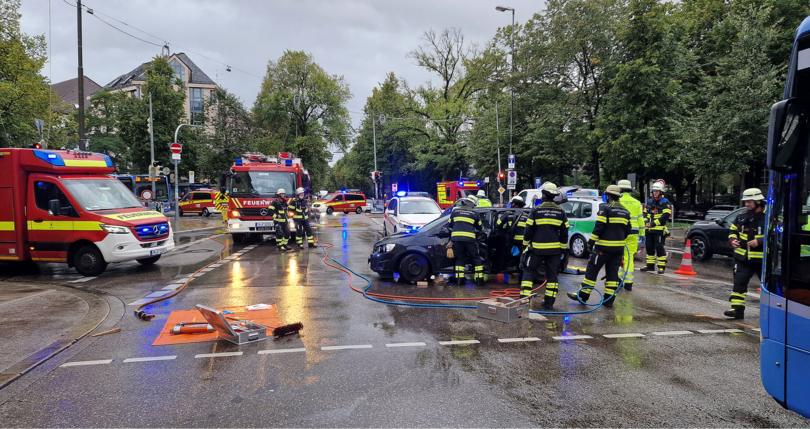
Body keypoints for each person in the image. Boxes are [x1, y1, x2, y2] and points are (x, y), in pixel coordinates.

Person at [568, 185, 631, 307]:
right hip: (618, 249)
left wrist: (590, 243)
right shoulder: (625, 211)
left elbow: (599, 227)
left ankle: (583, 296)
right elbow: (628, 230)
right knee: (612, 275)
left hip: (603, 248)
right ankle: (609, 301)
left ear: (608, 196)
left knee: (591, 272)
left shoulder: (605, 209)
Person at [519, 184, 569, 309]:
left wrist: (525, 245)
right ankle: (549, 303)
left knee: (529, 272)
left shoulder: (536, 210)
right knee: (552, 276)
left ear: (544, 195)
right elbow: (564, 233)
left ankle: (524, 302)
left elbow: (528, 229)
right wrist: (562, 249)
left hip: (537, 250)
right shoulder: (561, 212)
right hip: (554, 251)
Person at [725, 188, 766, 319]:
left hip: (763, 261)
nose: (747, 204)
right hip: (743, 258)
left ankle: (772, 314)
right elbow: (732, 231)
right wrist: (732, 240)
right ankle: (737, 310)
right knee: (739, 284)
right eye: (746, 201)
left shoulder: (771, 217)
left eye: (750, 201)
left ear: (758, 201)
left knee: (769, 288)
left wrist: (760, 241)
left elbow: (777, 234)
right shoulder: (741, 216)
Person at [617, 179, 644, 290]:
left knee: (618, 256)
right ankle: (628, 283)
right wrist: (642, 234)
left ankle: (617, 280)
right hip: (633, 232)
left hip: (620, 232)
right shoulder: (636, 202)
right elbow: (641, 220)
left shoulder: (617, 201)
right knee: (629, 257)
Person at [448, 204, 485, 286]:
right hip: (470, 240)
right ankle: (479, 281)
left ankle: (459, 281)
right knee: (476, 258)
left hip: (457, 239)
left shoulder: (454, 211)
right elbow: (480, 228)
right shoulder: (474, 213)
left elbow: (449, 225)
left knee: (460, 259)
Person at [640, 182, 671, 274]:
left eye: (657, 191)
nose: (655, 193)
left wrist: (653, 223)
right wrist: (645, 222)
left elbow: (665, 216)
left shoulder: (666, 202)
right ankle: (650, 266)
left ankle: (661, 266)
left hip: (659, 230)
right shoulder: (650, 202)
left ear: (661, 192)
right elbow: (645, 213)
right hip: (649, 230)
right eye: (654, 191)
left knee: (659, 247)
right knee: (649, 247)